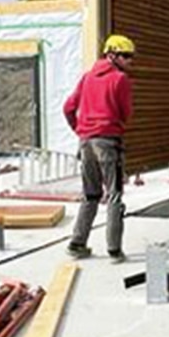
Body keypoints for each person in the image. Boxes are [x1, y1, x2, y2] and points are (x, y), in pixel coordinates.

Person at [64, 34, 136, 260]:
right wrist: (113, 125)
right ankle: (114, 250)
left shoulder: (87, 78)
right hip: (107, 141)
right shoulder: (119, 79)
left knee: (91, 194)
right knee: (114, 194)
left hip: (86, 143)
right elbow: (126, 113)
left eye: (131, 56)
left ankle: (77, 244)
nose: (130, 60)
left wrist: (80, 130)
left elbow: (68, 107)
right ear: (112, 54)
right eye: (126, 56)